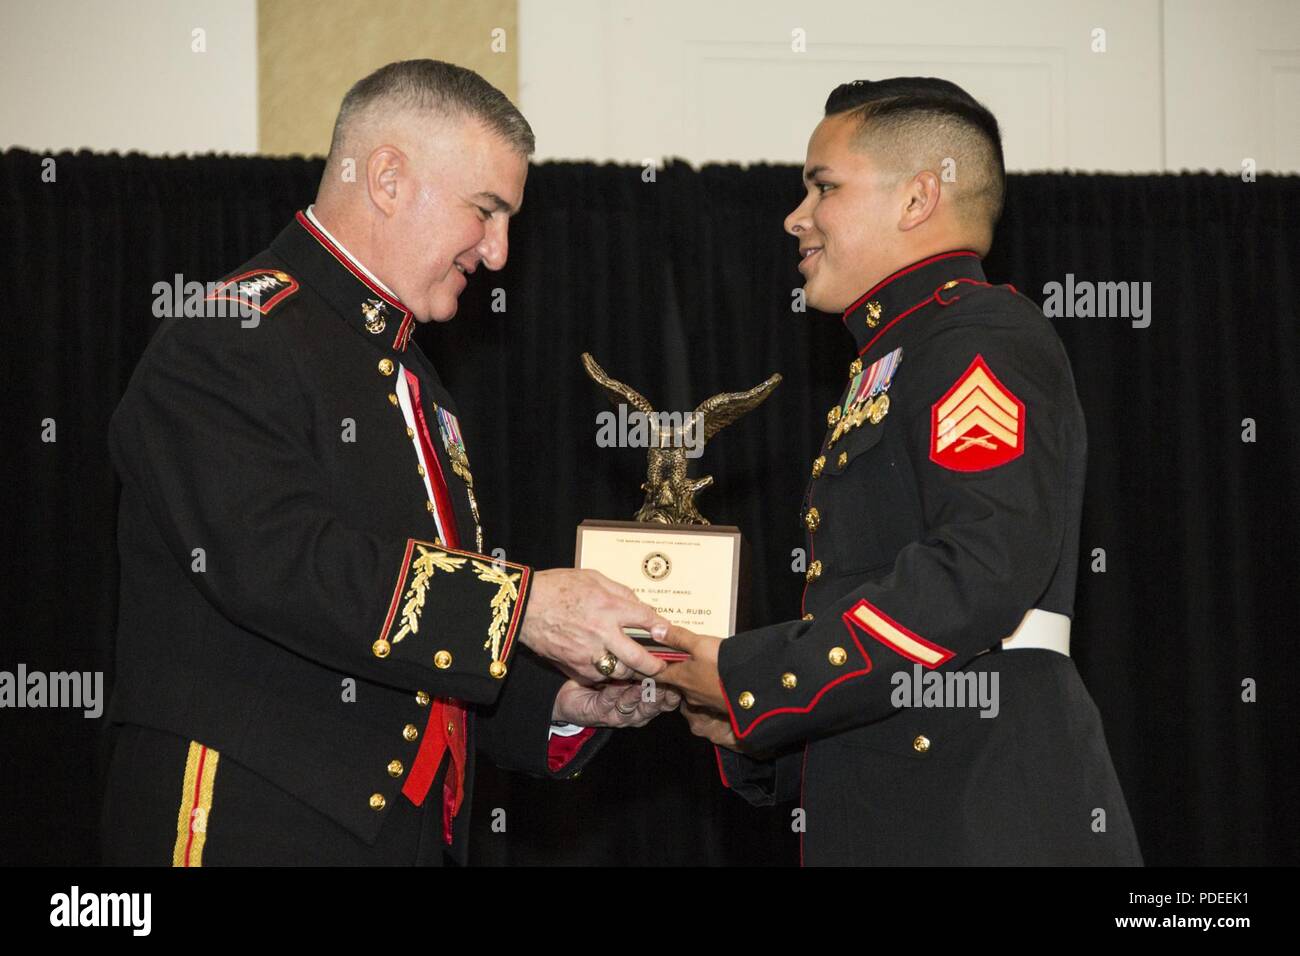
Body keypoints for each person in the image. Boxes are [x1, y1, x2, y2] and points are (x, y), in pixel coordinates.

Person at [102, 59, 678, 867]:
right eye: (486, 211)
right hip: (248, 824)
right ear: (387, 178)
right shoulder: (230, 334)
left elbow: (409, 659)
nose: (500, 251)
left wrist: (562, 706)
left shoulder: (412, 374)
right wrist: (520, 608)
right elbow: (278, 563)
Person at [661, 77, 1143, 866]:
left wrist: (761, 679)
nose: (797, 215)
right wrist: (758, 732)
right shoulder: (898, 354)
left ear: (919, 199)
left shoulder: (975, 336)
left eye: (823, 186)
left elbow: (981, 573)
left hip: (981, 813)